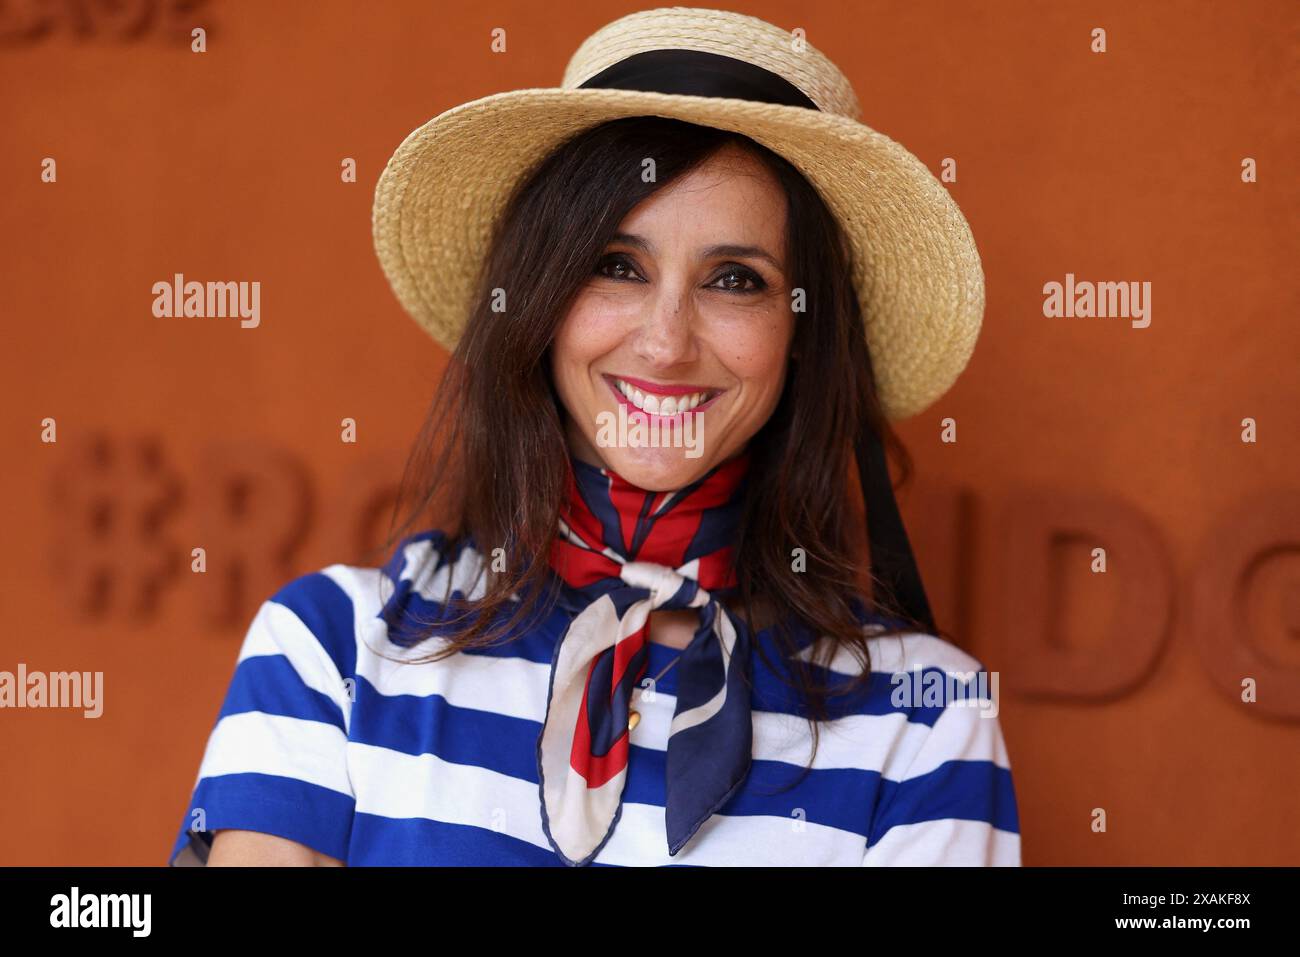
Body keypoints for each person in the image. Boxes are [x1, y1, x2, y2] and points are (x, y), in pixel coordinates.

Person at [168, 6, 1019, 867]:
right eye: (617, 265)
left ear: (804, 331)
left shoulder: (927, 722)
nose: (664, 341)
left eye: (736, 278)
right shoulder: (332, 650)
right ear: (540, 298)